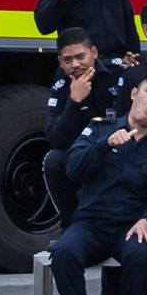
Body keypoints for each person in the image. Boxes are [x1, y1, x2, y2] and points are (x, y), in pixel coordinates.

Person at [46, 73, 147, 295]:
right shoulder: (98, 129)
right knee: (64, 254)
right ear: (133, 94)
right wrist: (105, 146)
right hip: (91, 222)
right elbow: (72, 169)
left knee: (140, 254)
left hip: (131, 224)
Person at [39, 33, 120, 221]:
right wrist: (74, 101)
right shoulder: (61, 87)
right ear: (60, 62)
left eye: (80, 57)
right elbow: (55, 138)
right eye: (68, 60)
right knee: (53, 161)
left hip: (116, 150)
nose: (75, 64)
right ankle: (72, 223)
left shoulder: (118, 73)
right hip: (83, 154)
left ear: (94, 53)